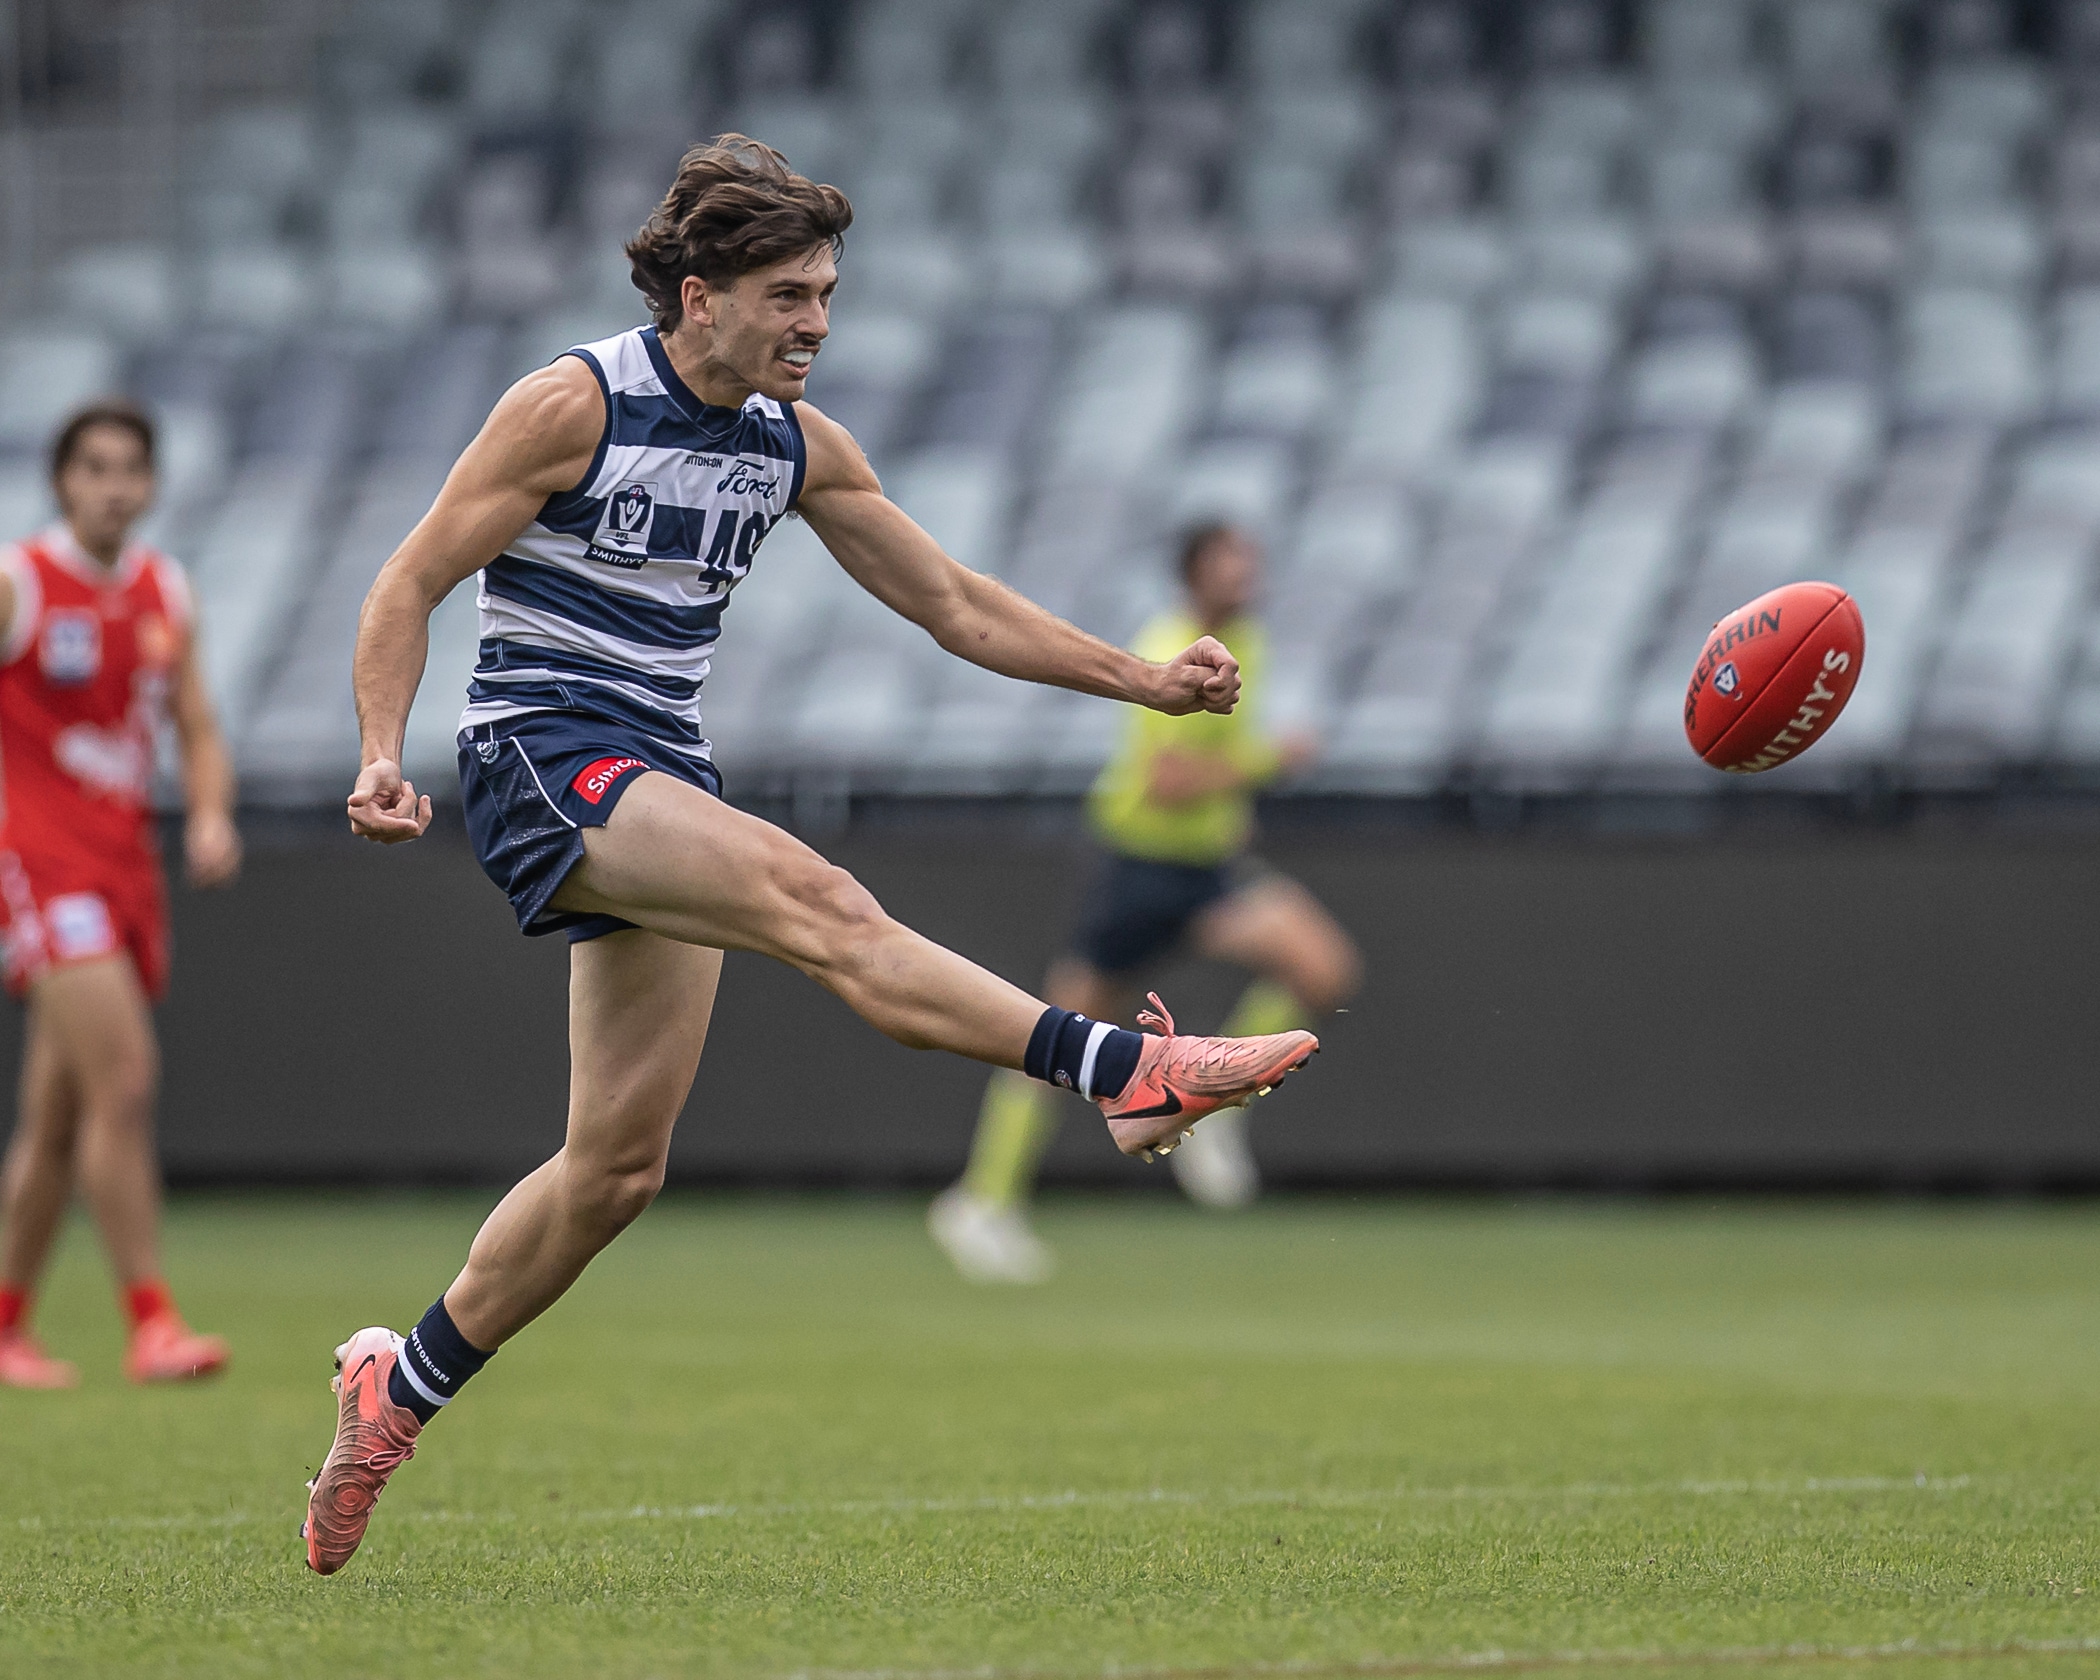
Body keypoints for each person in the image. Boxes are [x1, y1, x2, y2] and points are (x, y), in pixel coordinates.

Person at [303, 136, 1321, 1575]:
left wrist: (1143, 684)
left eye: (828, 294)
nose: (817, 323)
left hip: (656, 771)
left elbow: (957, 607)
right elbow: (409, 577)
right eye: (790, 294)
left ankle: (390, 1393)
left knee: (614, 1171)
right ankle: (1122, 1073)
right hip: (541, 751)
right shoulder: (570, 405)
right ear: (699, 296)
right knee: (820, 899)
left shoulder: (795, 446)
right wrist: (377, 750)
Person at [929, 523, 1361, 1283]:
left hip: (1208, 870)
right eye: (1229, 561)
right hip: (1141, 869)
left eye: (1249, 560)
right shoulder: (1168, 643)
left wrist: (1236, 799)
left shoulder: (1248, 643)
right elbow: (1168, 784)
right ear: (1194, 573)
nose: (1245, 574)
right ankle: (981, 1201)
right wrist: (1269, 763)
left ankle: (1226, 1107)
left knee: (1323, 971)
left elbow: (1214, 766)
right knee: (1051, 1039)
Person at [0, 401, 242, 1389]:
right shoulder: (20, 582)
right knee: (127, 1081)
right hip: (41, 861)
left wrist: (214, 811)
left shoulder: (161, 590)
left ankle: (6, 1326)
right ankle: (151, 1320)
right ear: (64, 481)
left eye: (130, 469)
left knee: (57, 1119)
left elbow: (195, 722)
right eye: (94, 467)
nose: (114, 486)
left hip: (121, 861)